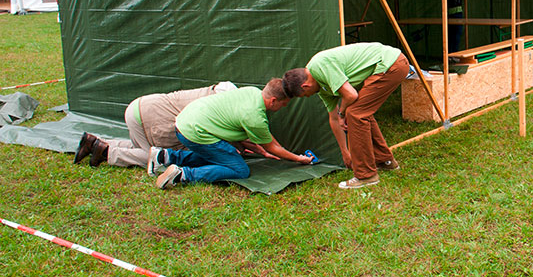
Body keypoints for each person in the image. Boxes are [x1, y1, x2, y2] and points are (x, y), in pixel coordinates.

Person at [282, 42, 408, 189]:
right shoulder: (322, 87)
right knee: (361, 112)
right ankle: (385, 161)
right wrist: (345, 152)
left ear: (305, 86)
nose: (308, 97)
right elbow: (333, 118)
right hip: (391, 64)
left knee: (355, 114)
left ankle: (366, 175)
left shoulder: (319, 66)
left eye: (305, 95)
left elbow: (350, 95)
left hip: (391, 64)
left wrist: (342, 113)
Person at [151, 79, 313, 189]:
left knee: (218, 156)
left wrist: (265, 148)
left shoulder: (251, 92)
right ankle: (184, 175)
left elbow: (267, 141)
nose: (283, 107)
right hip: (196, 132)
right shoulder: (255, 116)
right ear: (273, 101)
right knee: (239, 169)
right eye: (283, 104)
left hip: (184, 121)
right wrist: (299, 158)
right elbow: (272, 146)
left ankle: (164, 156)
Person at [73, 81, 238, 168]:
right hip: (151, 120)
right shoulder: (215, 110)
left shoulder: (213, 92)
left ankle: (94, 142)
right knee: (156, 156)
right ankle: (107, 152)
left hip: (138, 107)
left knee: (138, 147)